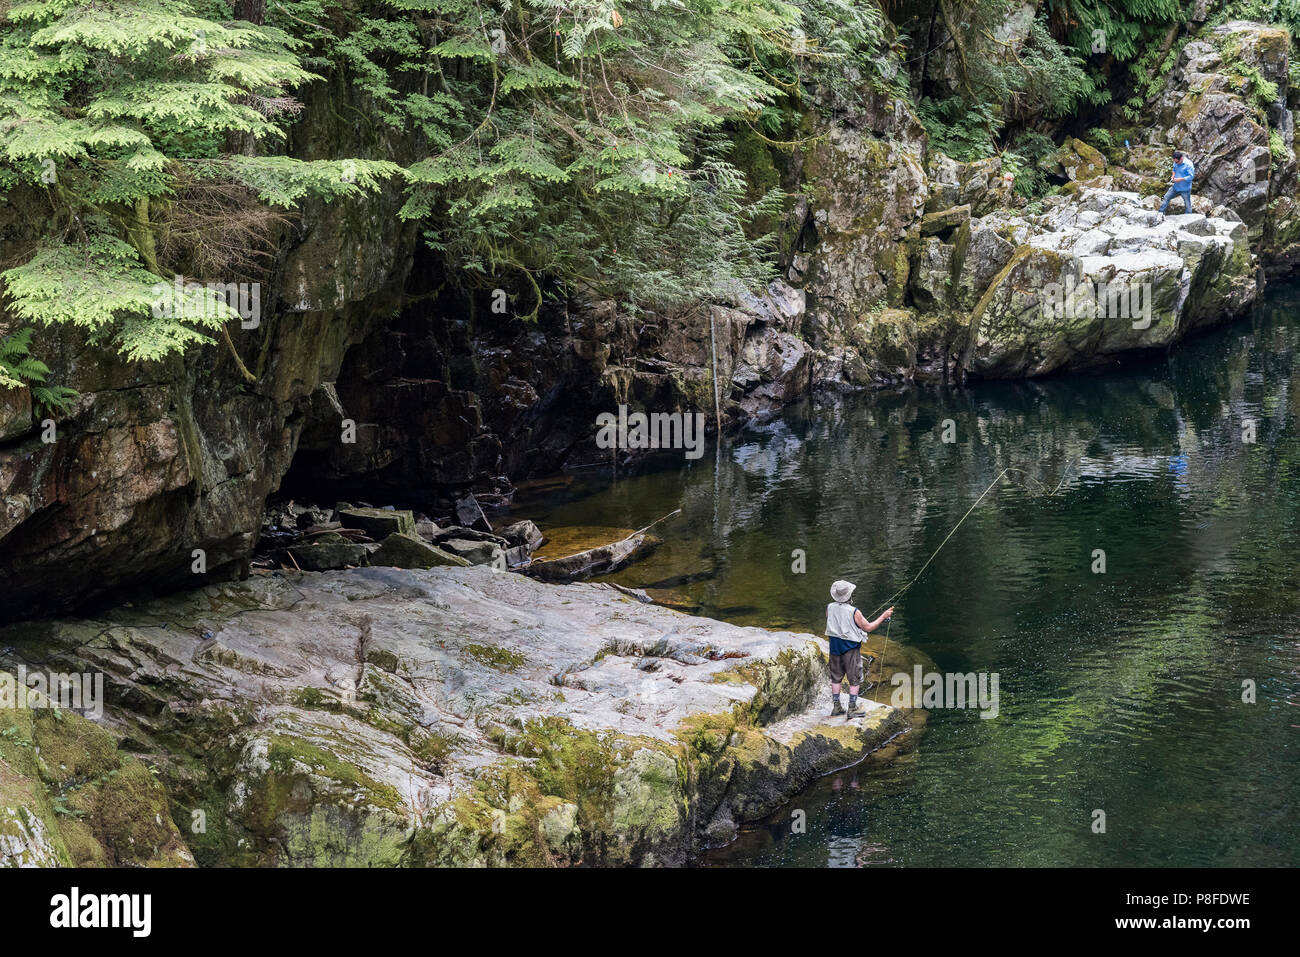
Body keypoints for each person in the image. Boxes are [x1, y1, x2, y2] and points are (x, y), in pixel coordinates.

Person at [825, 580, 893, 718]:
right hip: (850, 649)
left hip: (834, 648)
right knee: (854, 678)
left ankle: (836, 706)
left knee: (836, 678)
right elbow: (868, 627)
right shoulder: (854, 611)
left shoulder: (829, 607)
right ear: (849, 595)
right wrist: (884, 616)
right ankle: (852, 708)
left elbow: (831, 621)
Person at [1158, 150, 1195, 215]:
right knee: (1166, 197)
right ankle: (1160, 213)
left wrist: (1179, 179)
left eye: (1177, 162)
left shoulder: (1189, 165)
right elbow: (1174, 169)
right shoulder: (1176, 161)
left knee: (1187, 204)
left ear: (1181, 158)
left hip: (1185, 189)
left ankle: (1189, 218)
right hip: (1175, 187)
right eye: (1175, 162)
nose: (1176, 163)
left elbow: (1191, 177)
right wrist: (1173, 175)